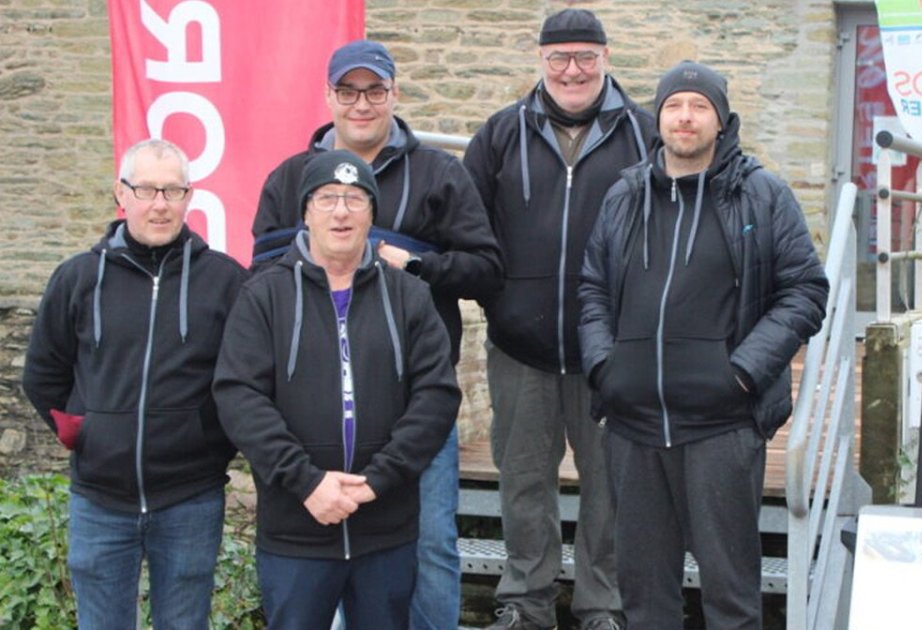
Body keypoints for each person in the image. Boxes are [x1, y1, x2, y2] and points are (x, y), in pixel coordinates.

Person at [253, 40, 502, 629]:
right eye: (348, 90)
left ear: (394, 94)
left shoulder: (440, 173)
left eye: (374, 90)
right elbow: (261, 269)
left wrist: (412, 263)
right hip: (309, 410)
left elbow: (486, 269)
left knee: (429, 546)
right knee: (318, 552)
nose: (361, 103)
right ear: (329, 96)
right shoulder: (290, 178)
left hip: (409, 407)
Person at [578, 61, 830, 629]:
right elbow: (592, 286)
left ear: (721, 120)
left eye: (699, 107)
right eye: (673, 106)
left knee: (731, 597)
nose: (684, 118)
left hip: (722, 426)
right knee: (643, 597)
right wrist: (602, 366)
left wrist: (742, 372)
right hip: (633, 426)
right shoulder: (625, 195)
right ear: (658, 117)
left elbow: (805, 290)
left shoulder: (761, 195)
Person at [463, 8, 654, 630]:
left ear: (606, 58)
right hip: (521, 344)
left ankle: (603, 603)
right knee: (523, 479)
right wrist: (500, 301)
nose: (572, 70)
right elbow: (471, 231)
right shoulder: (499, 134)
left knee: (610, 483)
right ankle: (526, 601)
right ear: (540, 60)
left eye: (585, 57)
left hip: (612, 348)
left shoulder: (644, 134)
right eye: (559, 57)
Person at [213, 150, 461, 629]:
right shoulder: (264, 296)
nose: (341, 211)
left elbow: (437, 395)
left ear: (373, 212)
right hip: (296, 533)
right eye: (327, 198)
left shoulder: (409, 295)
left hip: (385, 531)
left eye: (354, 198)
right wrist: (305, 480)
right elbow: (239, 396)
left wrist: (379, 479)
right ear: (305, 211)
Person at [22, 138, 248, 630]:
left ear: (190, 197)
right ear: (121, 194)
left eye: (172, 190)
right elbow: (43, 372)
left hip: (190, 497)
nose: (160, 204)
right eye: (146, 190)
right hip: (99, 500)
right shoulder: (78, 278)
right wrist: (83, 430)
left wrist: (208, 443)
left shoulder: (226, 281)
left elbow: (245, 380)